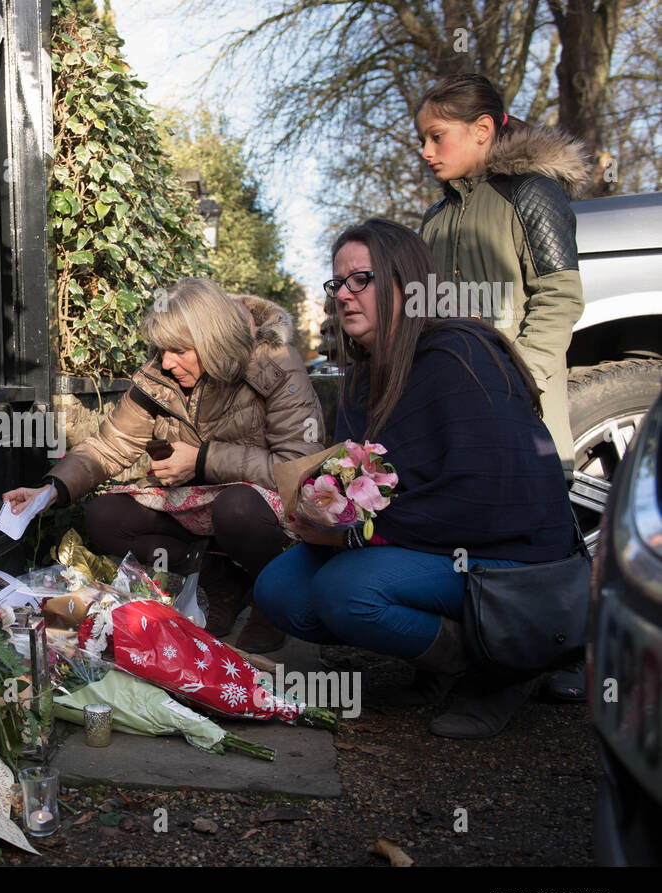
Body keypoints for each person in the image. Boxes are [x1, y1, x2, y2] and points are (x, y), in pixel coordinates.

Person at [253, 219, 580, 739]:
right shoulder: (364, 374)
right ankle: (440, 657)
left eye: (361, 280)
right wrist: (321, 512)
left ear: (407, 284)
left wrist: (355, 537)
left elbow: (485, 498)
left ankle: (503, 668)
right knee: (279, 590)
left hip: (511, 556)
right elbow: (360, 477)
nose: (343, 295)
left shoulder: (460, 357)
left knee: (345, 589)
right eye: (337, 283)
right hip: (425, 538)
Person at [3, 278, 324, 653]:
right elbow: (110, 444)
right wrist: (52, 489)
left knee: (237, 508)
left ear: (215, 341)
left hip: (256, 508)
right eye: (163, 350)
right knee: (105, 516)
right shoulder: (159, 376)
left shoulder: (275, 364)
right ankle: (222, 582)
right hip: (193, 504)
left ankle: (271, 597)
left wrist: (203, 460)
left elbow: (297, 467)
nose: (167, 362)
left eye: (179, 350)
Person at [415, 73, 593, 701]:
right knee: (471, 527)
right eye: (422, 140)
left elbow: (558, 296)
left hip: (526, 406)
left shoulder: (532, 194)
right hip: (456, 409)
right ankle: (481, 650)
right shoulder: (435, 218)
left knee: (551, 532)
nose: (426, 152)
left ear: (483, 129)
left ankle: (576, 650)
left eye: (437, 136)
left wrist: (525, 380)